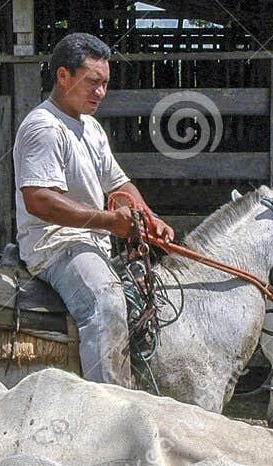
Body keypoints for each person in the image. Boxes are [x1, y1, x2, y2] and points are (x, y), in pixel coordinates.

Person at [13, 32, 174, 387]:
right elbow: (38, 198)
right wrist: (109, 222)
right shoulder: (45, 127)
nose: (100, 92)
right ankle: (107, 409)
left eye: (105, 84)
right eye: (93, 82)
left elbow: (118, 185)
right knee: (105, 304)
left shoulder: (90, 128)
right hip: (56, 246)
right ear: (63, 76)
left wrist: (148, 217)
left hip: (87, 243)